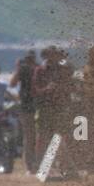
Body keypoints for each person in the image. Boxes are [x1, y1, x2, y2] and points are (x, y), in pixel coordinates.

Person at [32, 47, 73, 175]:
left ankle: (61, 165)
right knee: (42, 138)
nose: (54, 58)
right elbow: (35, 91)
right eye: (52, 55)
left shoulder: (63, 70)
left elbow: (69, 87)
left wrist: (62, 94)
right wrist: (47, 90)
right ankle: (41, 166)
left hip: (59, 108)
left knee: (60, 137)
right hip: (45, 108)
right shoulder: (40, 71)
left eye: (55, 55)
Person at [10, 50, 39, 174]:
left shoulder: (39, 69)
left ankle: (37, 163)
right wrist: (18, 69)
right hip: (27, 106)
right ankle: (29, 165)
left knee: (38, 136)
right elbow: (12, 83)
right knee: (29, 136)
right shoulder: (23, 70)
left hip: (38, 105)